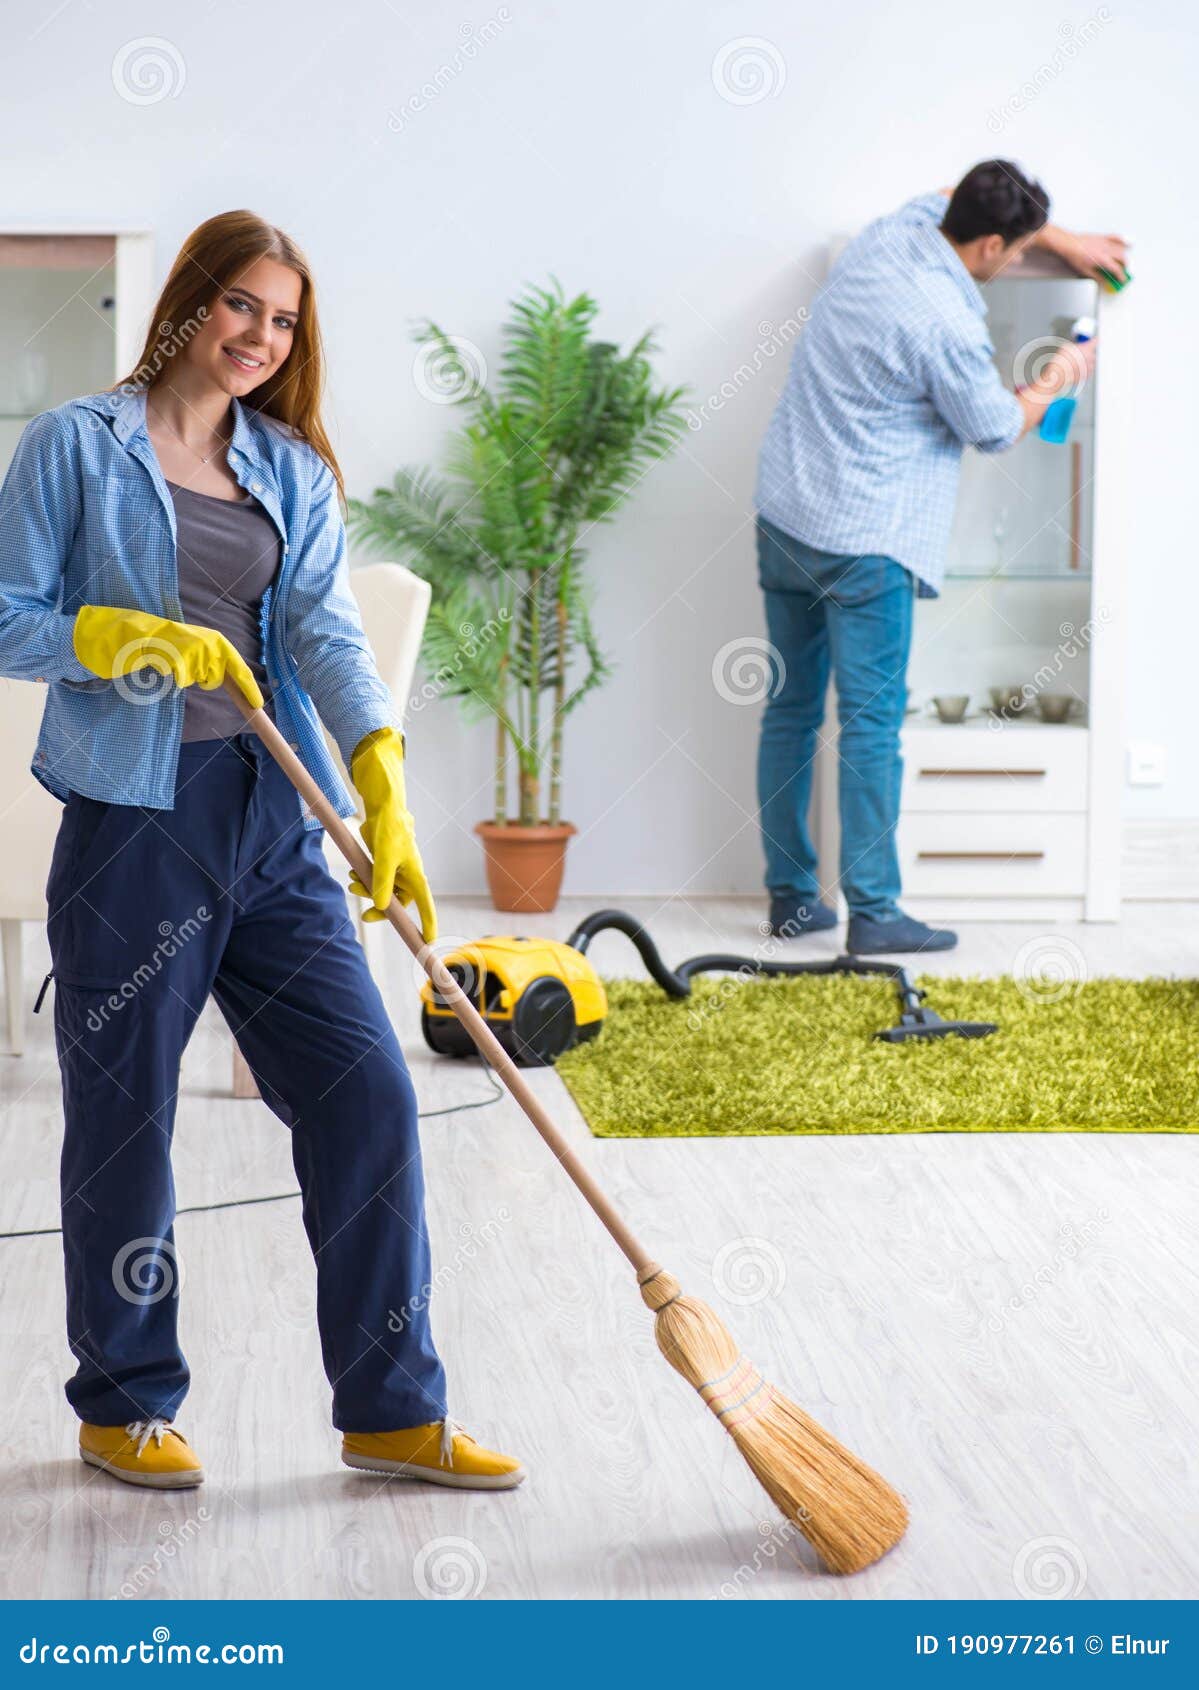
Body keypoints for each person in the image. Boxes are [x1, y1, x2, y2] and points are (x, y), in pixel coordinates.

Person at [0, 210, 524, 1492]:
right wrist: (118, 636)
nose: (259, 337)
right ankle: (125, 1398)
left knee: (368, 1093)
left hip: (274, 818)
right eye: (241, 306)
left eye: (283, 321)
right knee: (128, 1120)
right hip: (136, 822)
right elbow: (7, 613)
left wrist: (382, 776)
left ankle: (391, 1405)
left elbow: (327, 634)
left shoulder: (287, 465)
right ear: (189, 302)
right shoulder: (78, 445)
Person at [755, 160, 1128, 954]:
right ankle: (877, 914)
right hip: (866, 543)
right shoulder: (945, 323)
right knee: (868, 726)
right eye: (1018, 248)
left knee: (789, 709)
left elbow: (942, 184)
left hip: (786, 515)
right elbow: (993, 426)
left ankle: (790, 899)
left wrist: (1065, 238)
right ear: (991, 243)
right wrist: (1057, 374)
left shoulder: (889, 236)